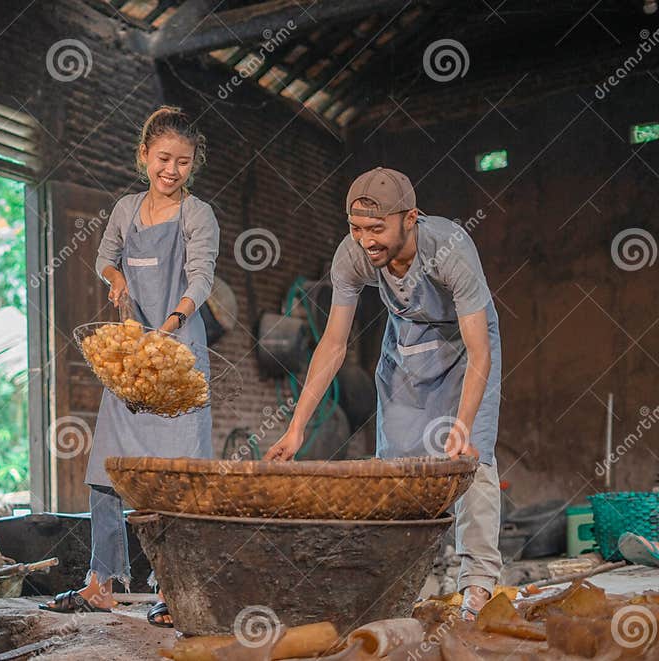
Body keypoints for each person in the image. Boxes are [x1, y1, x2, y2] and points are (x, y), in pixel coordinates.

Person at [265, 167, 502, 620]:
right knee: (396, 469)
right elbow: (333, 345)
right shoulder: (352, 255)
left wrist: (464, 424)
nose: (365, 239)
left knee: (473, 462)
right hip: (407, 347)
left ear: (410, 218)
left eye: (376, 228)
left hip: (465, 351)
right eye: (356, 228)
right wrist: (296, 428)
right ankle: (402, 582)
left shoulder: (451, 249)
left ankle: (477, 585)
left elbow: (479, 350)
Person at [40, 107, 219, 627]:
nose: (171, 170)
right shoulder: (125, 208)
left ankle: (174, 591)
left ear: (193, 164)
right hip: (132, 364)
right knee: (105, 472)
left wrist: (172, 323)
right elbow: (104, 257)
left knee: (177, 482)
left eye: (183, 162)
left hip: (176, 362)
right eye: (163, 158)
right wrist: (115, 279)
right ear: (144, 156)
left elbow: (202, 277)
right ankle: (101, 583)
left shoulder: (198, 215)